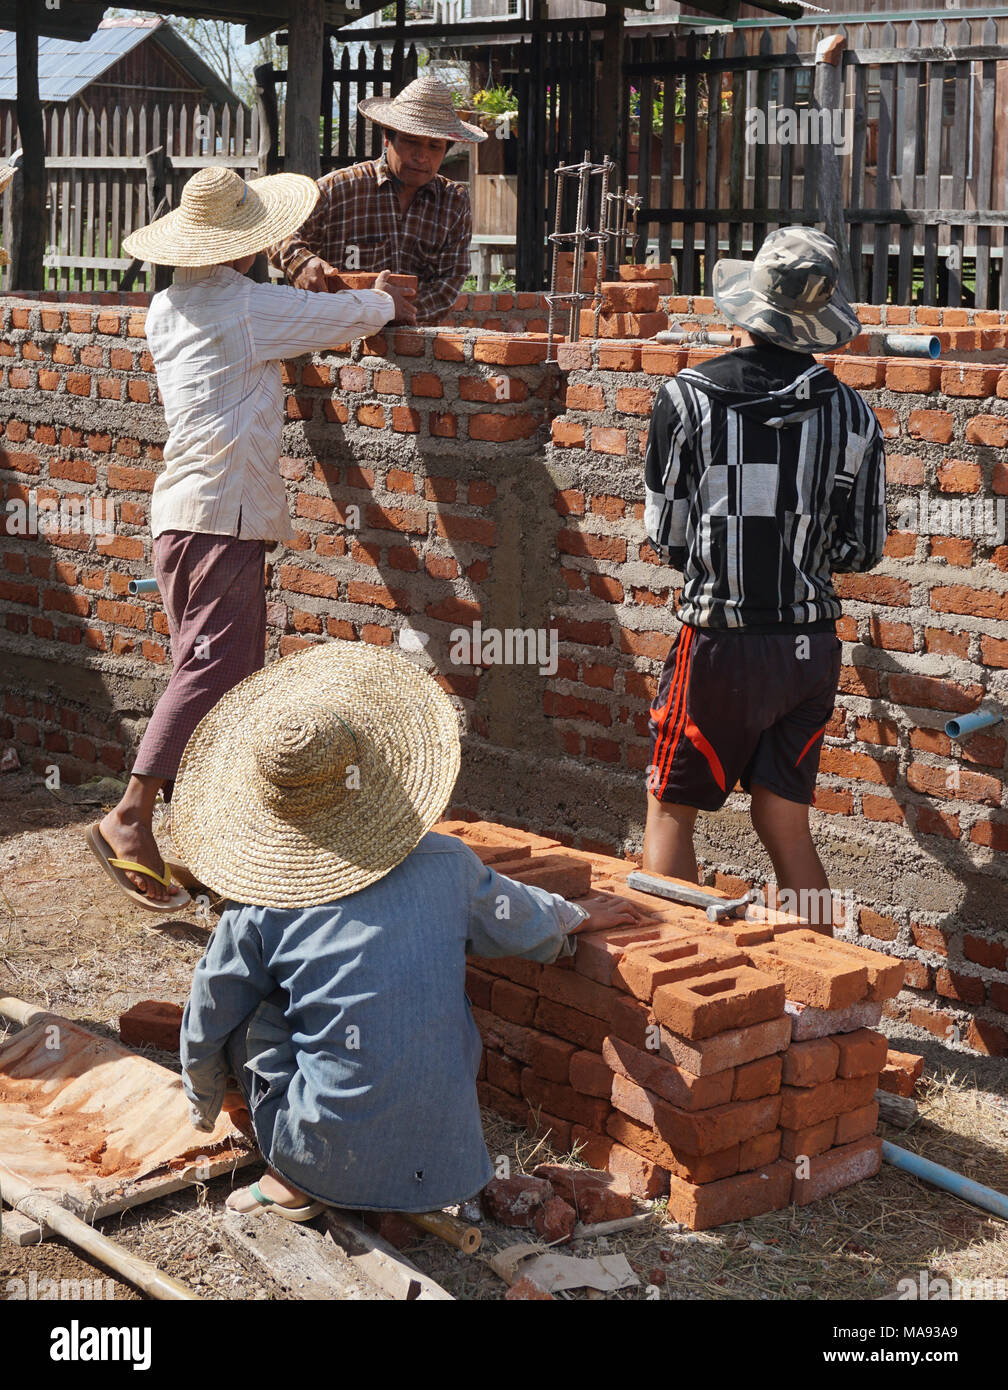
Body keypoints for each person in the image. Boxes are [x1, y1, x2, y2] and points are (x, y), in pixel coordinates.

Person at [172, 641, 642, 1219]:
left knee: (247, 1009)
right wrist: (573, 918)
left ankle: (291, 1179)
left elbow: (208, 1010)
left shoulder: (261, 903)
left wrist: (202, 1100)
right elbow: (518, 919)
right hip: (454, 1161)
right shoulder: (447, 863)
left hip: (327, 1163)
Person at [87, 166, 417, 911]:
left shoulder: (168, 305)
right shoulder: (248, 308)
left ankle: (206, 843)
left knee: (210, 682)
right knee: (211, 676)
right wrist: (386, 294)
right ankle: (129, 818)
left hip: (182, 514)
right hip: (222, 515)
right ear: (247, 245)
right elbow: (359, 317)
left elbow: (293, 317)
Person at [642, 227, 887, 930]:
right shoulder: (853, 415)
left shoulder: (686, 399)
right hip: (810, 647)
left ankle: (680, 982)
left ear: (750, 305)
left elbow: (669, 537)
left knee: (669, 808)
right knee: (785, 822)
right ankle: (818, 990)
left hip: (720, 641)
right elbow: (862, 547)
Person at [272, 74, 485, 326]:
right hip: (332, 338)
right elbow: (277, 231)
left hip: (411, 344)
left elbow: (448, 284)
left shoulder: (453, 202)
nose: (421, 156)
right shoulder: (339, 188)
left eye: (434, 146)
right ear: (388, 138)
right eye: (411, 141)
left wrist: (394, 312)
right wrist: (301, 263)